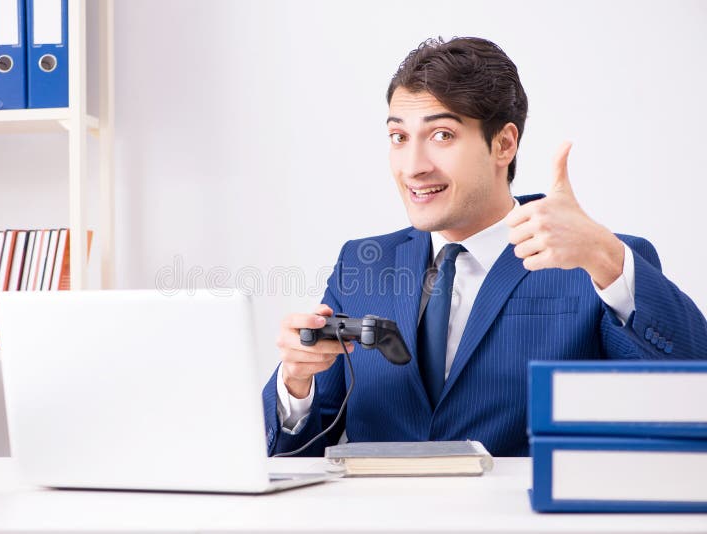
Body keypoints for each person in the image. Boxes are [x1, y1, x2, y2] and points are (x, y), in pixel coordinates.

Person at [261, 37, 707, 457]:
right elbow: (293, 454)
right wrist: (296, 384)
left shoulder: (593, 261)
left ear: (504, 144)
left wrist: (606, 258)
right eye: (399, 137)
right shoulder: (362, 264)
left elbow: (692, 400)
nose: (413, 167)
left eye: (442, 136)